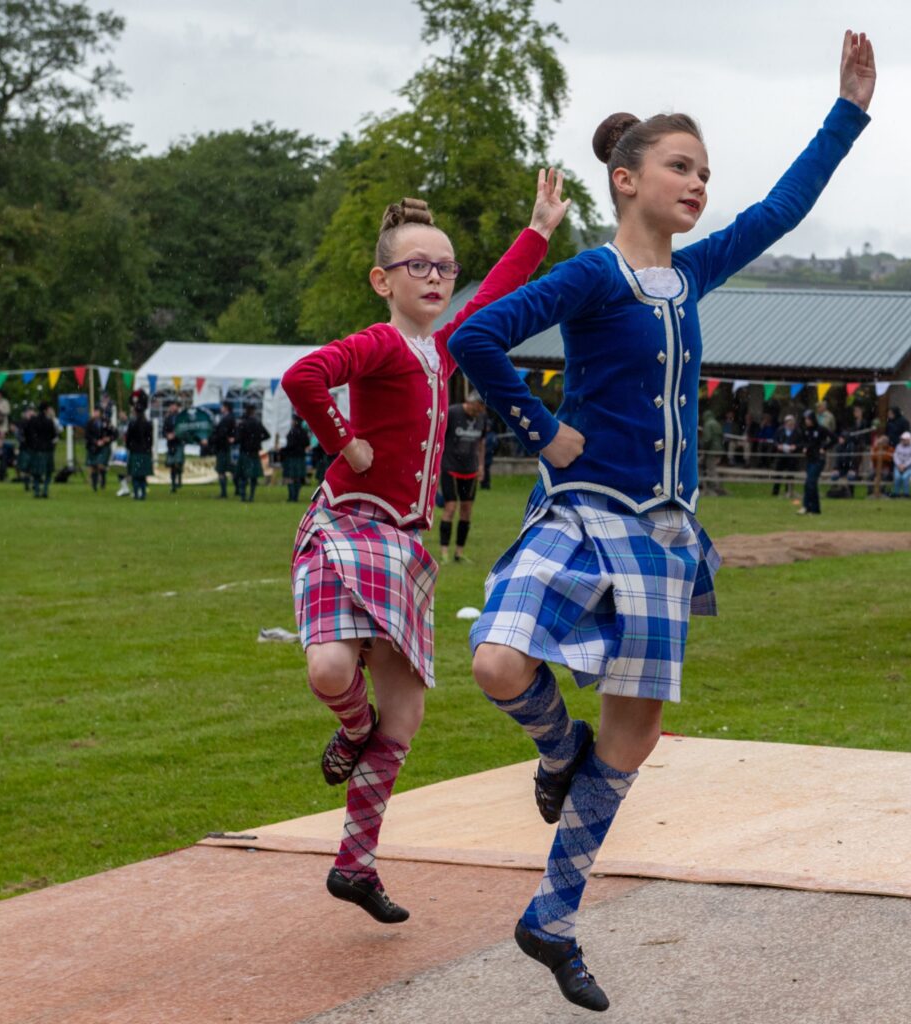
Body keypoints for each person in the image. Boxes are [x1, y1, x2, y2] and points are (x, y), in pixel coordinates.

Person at [446, 33, 874, 1012]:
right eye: (681, 167)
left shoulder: (699, 270)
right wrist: (544, 431)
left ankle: (550, 920)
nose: (699, 185)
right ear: (626, 178)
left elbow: (783, 208)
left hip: (668, 532)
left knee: (635, 739)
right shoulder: (594, 275)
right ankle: (559, 751)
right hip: (584, 506)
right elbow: (477, 333)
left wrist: (847, 112)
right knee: (498, 664)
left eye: (705, 173)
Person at [280, 177, 565, 928]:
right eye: (419, 267)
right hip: (347, 526)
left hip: (403, 545)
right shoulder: (378, 343)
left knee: (402, 719)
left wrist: (537, 229)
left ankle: (356, 865)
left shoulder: (445, 344)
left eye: (444, 267)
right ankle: (348, 732)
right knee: (331, 670)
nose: (437, 278)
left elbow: (496, 291)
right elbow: (302, 377)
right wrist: (347, 443)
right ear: (383, 280)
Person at [438, 391, 488, 562]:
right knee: (450, 507)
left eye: (481, 409)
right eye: (477, 407)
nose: (478, 412)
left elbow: (481, 443)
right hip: (450, 468)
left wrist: (481, 465)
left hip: (471, 470)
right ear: (470, 401)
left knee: (466, 510)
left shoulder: (482, 417)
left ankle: (459, 553)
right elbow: (439, 438)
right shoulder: (452, 413)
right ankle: (444, 552)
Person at [798, 407, 832, 514]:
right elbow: (803, 442)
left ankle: (812, 507)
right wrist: (804, 447)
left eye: (808, 419)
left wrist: (824, 447)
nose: (806, 421)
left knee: (811, 482)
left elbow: (834, 438)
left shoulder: (821, 429)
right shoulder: (806, 431)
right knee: (809, 484)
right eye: (805, 419)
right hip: (810, 459)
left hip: (818, 459)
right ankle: (809, 507)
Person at [23, 402, 59, 499]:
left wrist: (31, 444)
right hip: (47, 449)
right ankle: (45, 490)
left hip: (35, 449)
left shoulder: (32, 420)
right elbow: (54, 435)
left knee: (35, 472)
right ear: (46, 410)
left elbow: (26, 433)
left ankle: (37, 491)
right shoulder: (49, 421)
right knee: (48, 471)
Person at [235, 404, 270, 503]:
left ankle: (243, 496)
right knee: (253, 477)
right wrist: (257, 440)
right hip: (254, 452)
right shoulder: (257, 423)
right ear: (253, 412)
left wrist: (240, 440)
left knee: (243, 476)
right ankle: (251, 496)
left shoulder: (243, 423)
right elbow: (267, 435)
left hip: (245, 452)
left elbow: (238, 439)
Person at [125, 404, 153, 501]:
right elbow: (150, 439)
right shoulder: (148, 424)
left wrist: (129, 447)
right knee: (142, 475)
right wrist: (148, 449)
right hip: (145, 452)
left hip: (135, 451)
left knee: (135, 475)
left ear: (135, 412)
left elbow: (128, 438)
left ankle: (136, 494)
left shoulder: (132, 424)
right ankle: (143, 494)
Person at [85, 407, 115, 492]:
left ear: (100, 413)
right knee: (93, 466)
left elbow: (114, 433)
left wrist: (107, 439)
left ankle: (103, 480)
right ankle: (94, 485)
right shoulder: (89, 423)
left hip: (103, 447)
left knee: (100, 465)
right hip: (92, 447)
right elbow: (87, 435)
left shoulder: (106, 422)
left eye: (97, 411)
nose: (95, 413)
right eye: (94, 411)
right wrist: (95, 441)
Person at [281, 417, 310, 503]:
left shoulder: (292, 432)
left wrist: (282, 450)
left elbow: (290, 445)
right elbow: (307, 443)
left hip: (292, 457)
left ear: (295, 421)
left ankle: (291, 497)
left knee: (290, 478)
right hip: (300, 457)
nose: (292, 422)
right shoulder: (304, 432)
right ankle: (295, 497)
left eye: (293, 420)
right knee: (298, 478)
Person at [698, 407, 726, 496]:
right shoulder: (717, 424)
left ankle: (714, 488)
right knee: (712, 468)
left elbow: (708, 439)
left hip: (711, 450)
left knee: (711, 469)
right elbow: (721, 437)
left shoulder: (708, 424)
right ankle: (713, 486)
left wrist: (704, 448)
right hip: (719, 450)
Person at [771, 412, 800, 498]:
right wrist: (778, 445)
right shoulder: (780, 430)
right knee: (778, 473)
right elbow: (775, 440)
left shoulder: (797, 431)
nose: (790, 424)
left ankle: (789, 491)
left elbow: (800, 443)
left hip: (792, 456)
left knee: (790, 474)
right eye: (788, 422)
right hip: (781, 454)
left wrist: (795, 446)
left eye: (792, 423)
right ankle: (775, 491)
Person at [213, 399, 237, 499]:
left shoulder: (226, 419)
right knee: (232, 470)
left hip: (223, 448)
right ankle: (238, 490)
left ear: (226, 407)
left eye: (222, 406)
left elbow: (221, 434)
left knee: (222, 471)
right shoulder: (231, 417)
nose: (221, 408)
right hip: (227, 447)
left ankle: (224, 493)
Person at [162, 400, 186, 492]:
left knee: (178, 463)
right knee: (172, 465)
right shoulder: (167, 418)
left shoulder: (182, 417)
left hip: (179, 443)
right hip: (171, 444)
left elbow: (184, 430)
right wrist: (167, 435)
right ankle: (173, 485)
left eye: (174, 405)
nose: (172, 407)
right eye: (171, 406)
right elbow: (163, 431)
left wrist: (176, 434)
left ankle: (179, 479)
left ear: (177, 407)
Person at [891, 429, 911, 497]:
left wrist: (905, 466)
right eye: (902, 439)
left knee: (905, 477)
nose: (903, 441)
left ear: (909, 439)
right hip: (898, 466)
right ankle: (896, 493)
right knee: (897, 477)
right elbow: (895, 456)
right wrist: (899, 465)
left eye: (904, 439)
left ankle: (907, 494)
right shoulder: (898, 446)